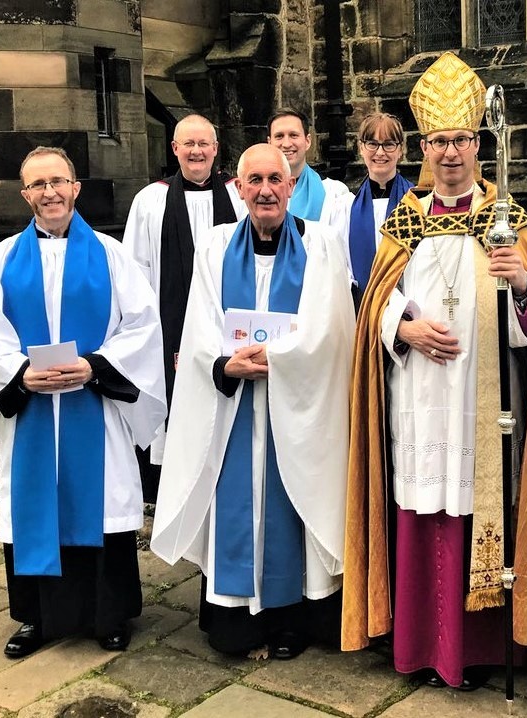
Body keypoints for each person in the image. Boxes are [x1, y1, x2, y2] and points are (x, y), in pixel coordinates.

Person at [341, 51, 527, 690]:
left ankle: (478, 650)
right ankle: (420, 647)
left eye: (460, 140)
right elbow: (373, 303)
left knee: (478, 505)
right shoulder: (403, 222)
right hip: (417, 397)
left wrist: (520, 287)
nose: (450, 152)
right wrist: (401, 327)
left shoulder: (510, 218)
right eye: (438, 142)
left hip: (484, 407)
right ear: (423, 149)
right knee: (421, 507)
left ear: (477, 143)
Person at [0, 146, 166, 658]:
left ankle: (109, 615)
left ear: (75, 187)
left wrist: (95, 365)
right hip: (32, 410)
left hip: (92, 404)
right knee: (33, 507)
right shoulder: (4, 257)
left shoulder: (112, 255)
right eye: (38, 184)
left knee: (101, 509)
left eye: (58, 181)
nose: (49, 192)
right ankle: (37, 618)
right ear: (25, 194)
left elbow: (142, 325)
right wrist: (20, 374)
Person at [150, 143, 354, 658]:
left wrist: (280, 358)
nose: (266, 189)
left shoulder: (322, 244)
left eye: (275, 179)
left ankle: (291, 621)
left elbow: (333, 329)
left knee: (292, 500)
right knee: (236, 501)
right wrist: (223, 365)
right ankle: (236, 619)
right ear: (238, 189)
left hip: (298, 408)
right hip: (235, 406)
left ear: (291, 186)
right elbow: (197, 325)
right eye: (254, 180)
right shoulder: (216, 247)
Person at [123, 114, 247, 501]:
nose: (196, 151)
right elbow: (136, 272)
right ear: (174, 149)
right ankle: (174, 488)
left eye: (203, 144)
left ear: (216, 149)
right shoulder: (150, 200)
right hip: (169, 328)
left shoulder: (239, 195)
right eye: (187, 144)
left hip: (228, 324)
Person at [348, 112, 413, 303]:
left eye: (389, 144)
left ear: (400, 150)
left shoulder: (417, 200)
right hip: (361, 307)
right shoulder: (346, 203)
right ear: (361, 148)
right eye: (372, 144)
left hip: (408, 303)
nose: (380, 152)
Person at [267, 108, 354, 244]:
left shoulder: (334, 194)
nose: (287, 144)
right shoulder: (256, 194)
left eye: (293, 135)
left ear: (307, 141)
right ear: (269, 143)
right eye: (279, 136)